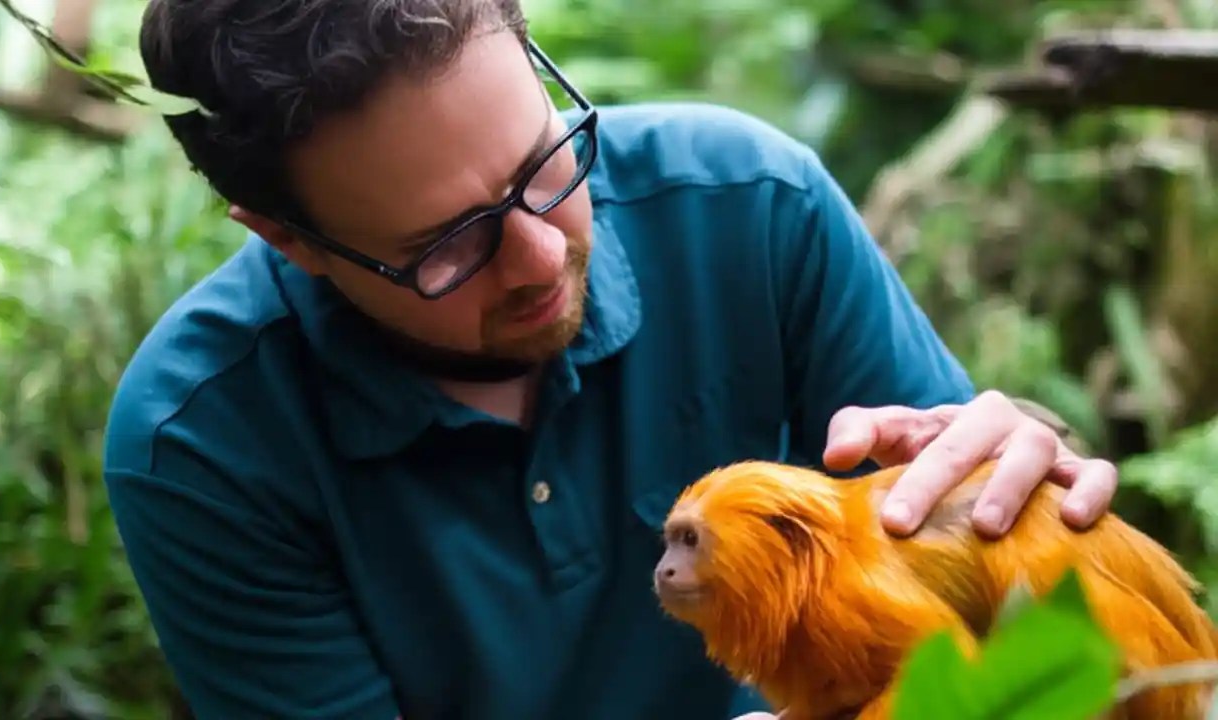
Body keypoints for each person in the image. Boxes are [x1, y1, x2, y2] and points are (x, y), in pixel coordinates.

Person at [102, 0, 1120, 718]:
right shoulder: (200, 442)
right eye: (442, 246)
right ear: (290, 239)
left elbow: (1003, 614)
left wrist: (1035, 484)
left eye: (544, 161)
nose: (542, 255)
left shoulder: (752, 207)